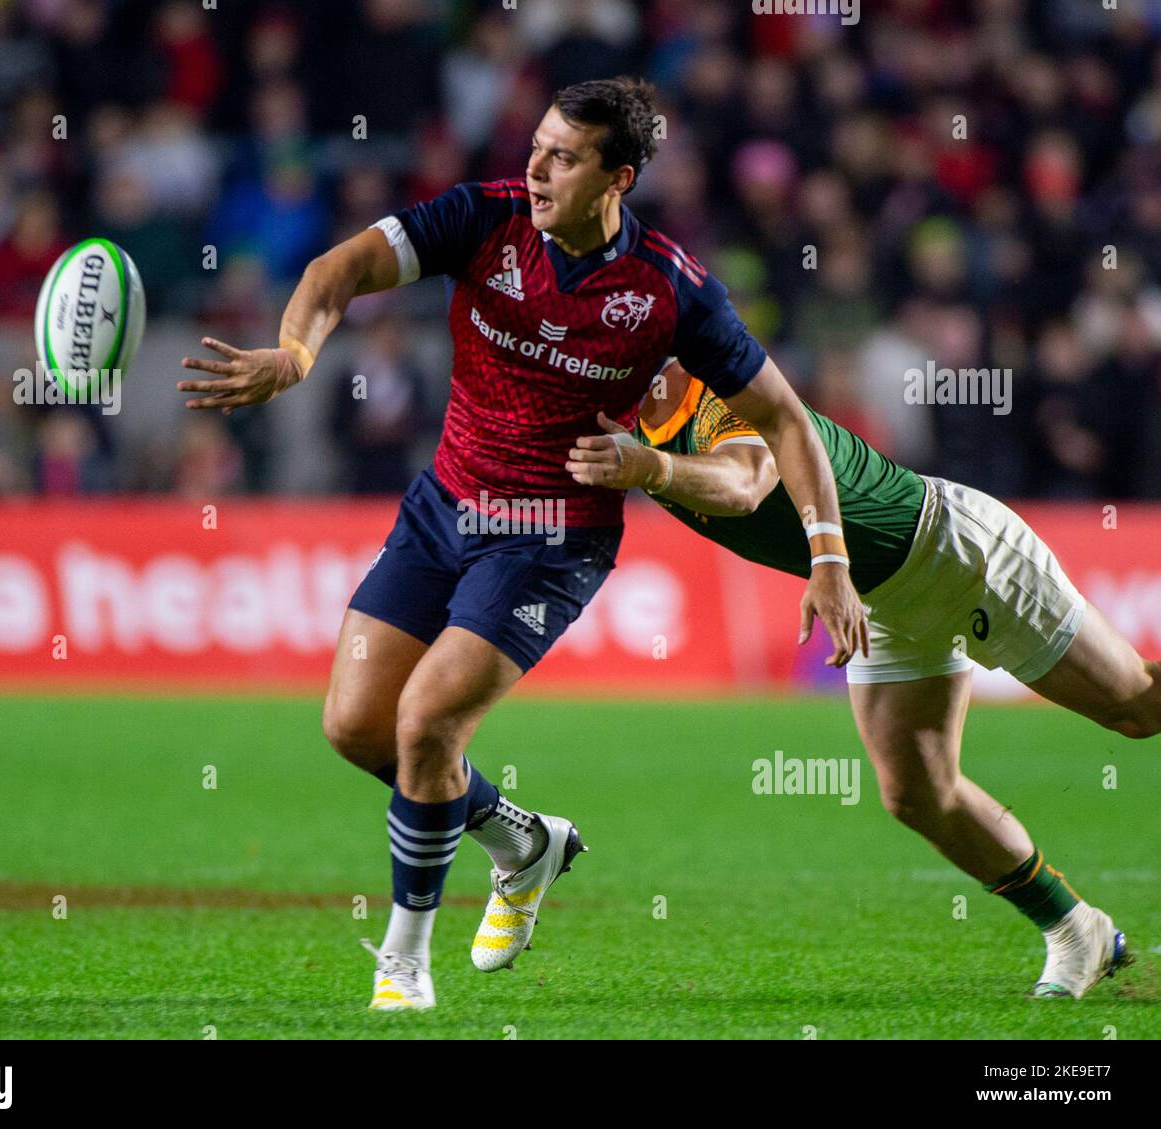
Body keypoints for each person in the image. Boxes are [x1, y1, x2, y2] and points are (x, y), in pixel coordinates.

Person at [178, 77, 868, 1011]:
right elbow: (335, 271)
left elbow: (785, 426)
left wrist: (827, 560)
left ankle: (403, 962)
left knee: (426, 724)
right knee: (354, 726)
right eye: (536, 146)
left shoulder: (668, 289)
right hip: (443, 506)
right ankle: (521, 839)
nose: (536, 168)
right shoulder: (479, 218)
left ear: (616, 178)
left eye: (564, 156)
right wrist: (295, 354)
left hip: (551, 538)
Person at [565, 357, 1152, 999]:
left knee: (1134, 709)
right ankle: (1076, 929)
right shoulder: (634, 422)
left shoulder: (711, 383)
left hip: (950, 551)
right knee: (917, 791)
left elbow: (748, 481)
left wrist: (649, 468)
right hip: (884, 598)